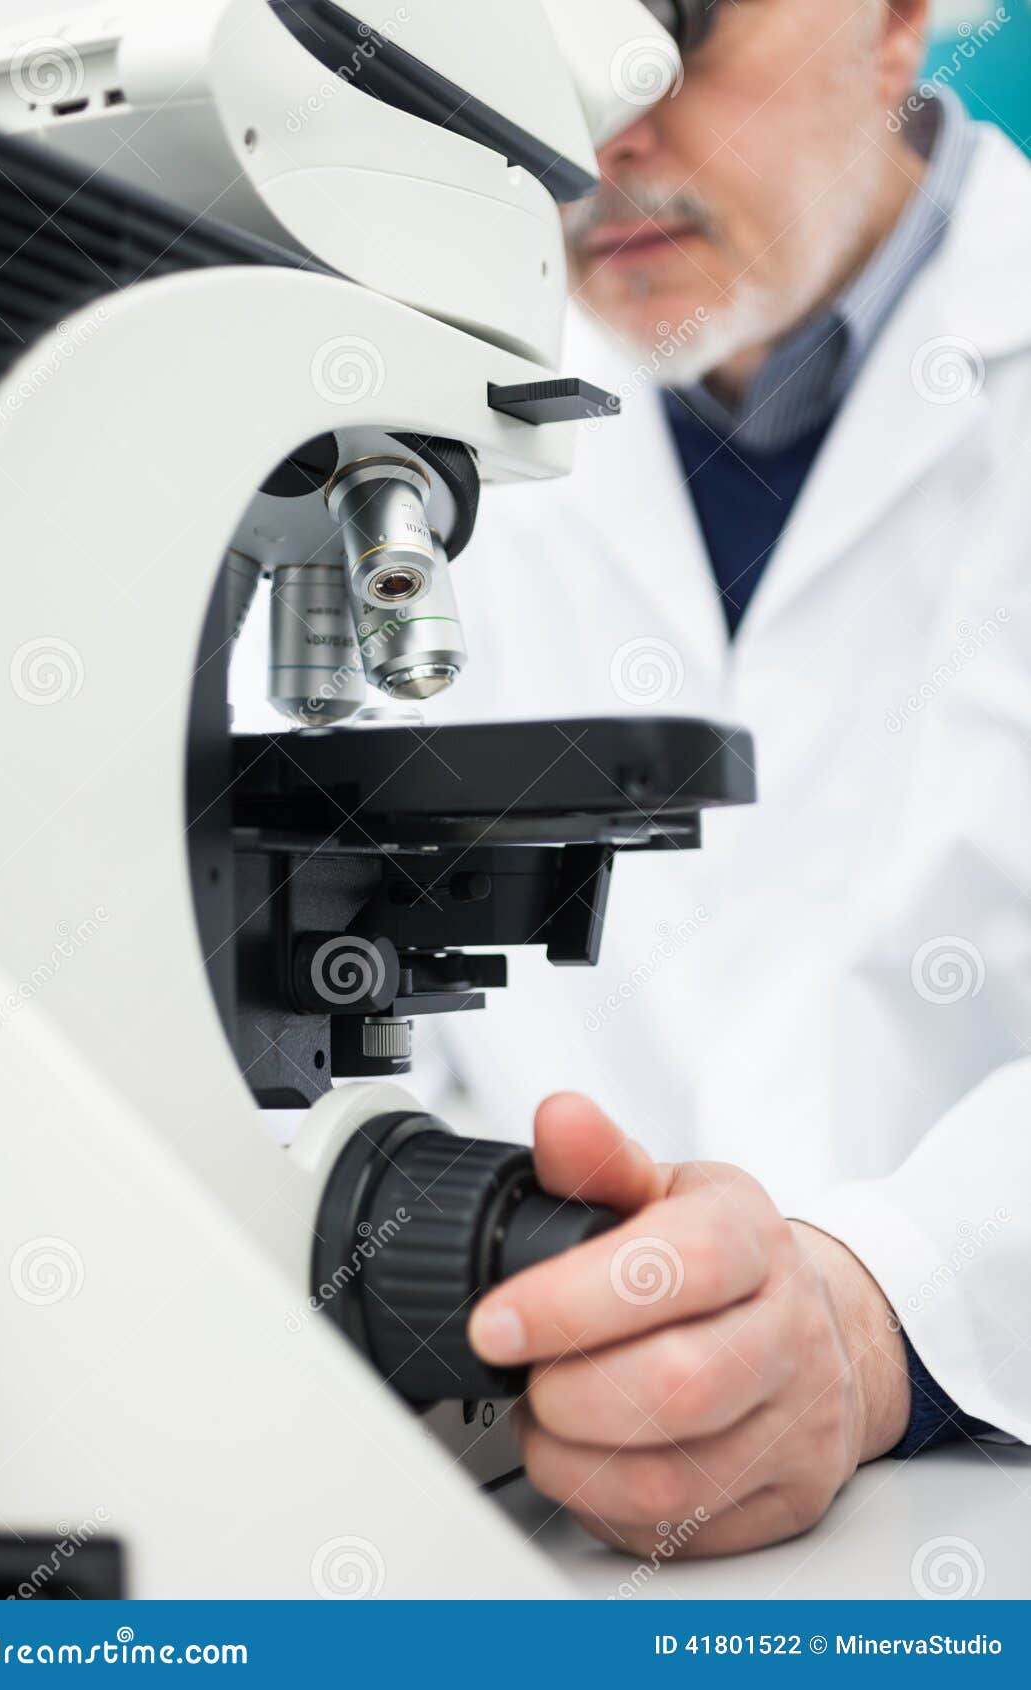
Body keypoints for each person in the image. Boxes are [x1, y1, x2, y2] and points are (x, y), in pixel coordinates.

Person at [416, 0, 1031, 1557]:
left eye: (669, 23)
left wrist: (892, 1307)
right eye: (538, 39)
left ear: (897, 24)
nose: (602, 135)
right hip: (538, 1512)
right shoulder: (419, 419)